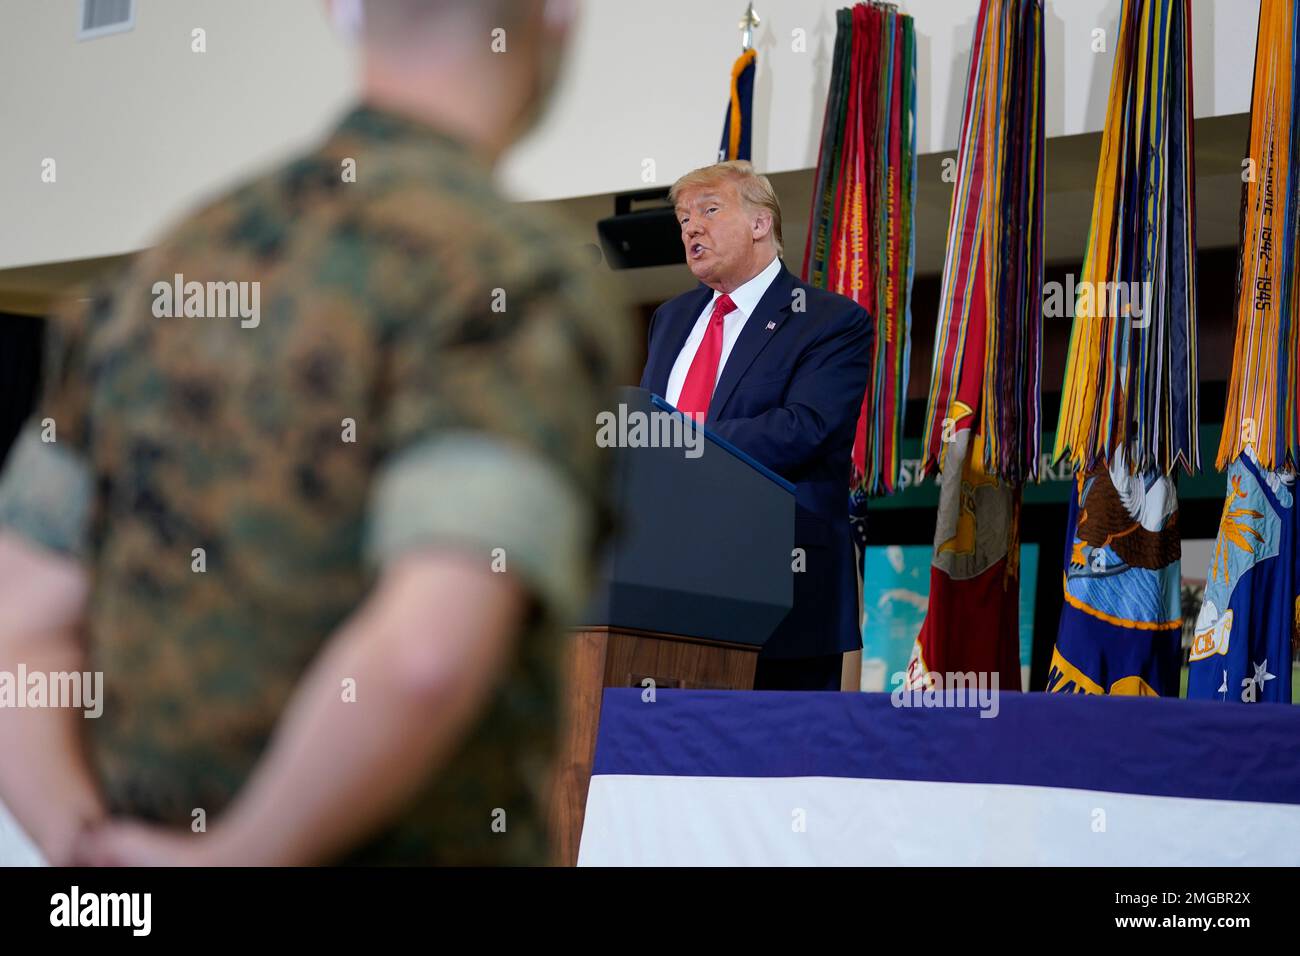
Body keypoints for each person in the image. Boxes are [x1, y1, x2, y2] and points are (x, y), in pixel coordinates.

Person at [0, 0, 632, 866]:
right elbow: (426, 651)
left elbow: (18, 621)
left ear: (340, 13)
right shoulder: (515, 275)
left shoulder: (162, 270)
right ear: (559, 15)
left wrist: (89, 851)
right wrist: (241, 859)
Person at [640, 161, 871, 691]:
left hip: (779, 594)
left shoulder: (828, 320)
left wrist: (679, 439)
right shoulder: (671, 319)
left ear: (760, 223)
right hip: (665, 591)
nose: (690, 227)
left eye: (709, 210)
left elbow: (804, 427)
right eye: (682, 218)